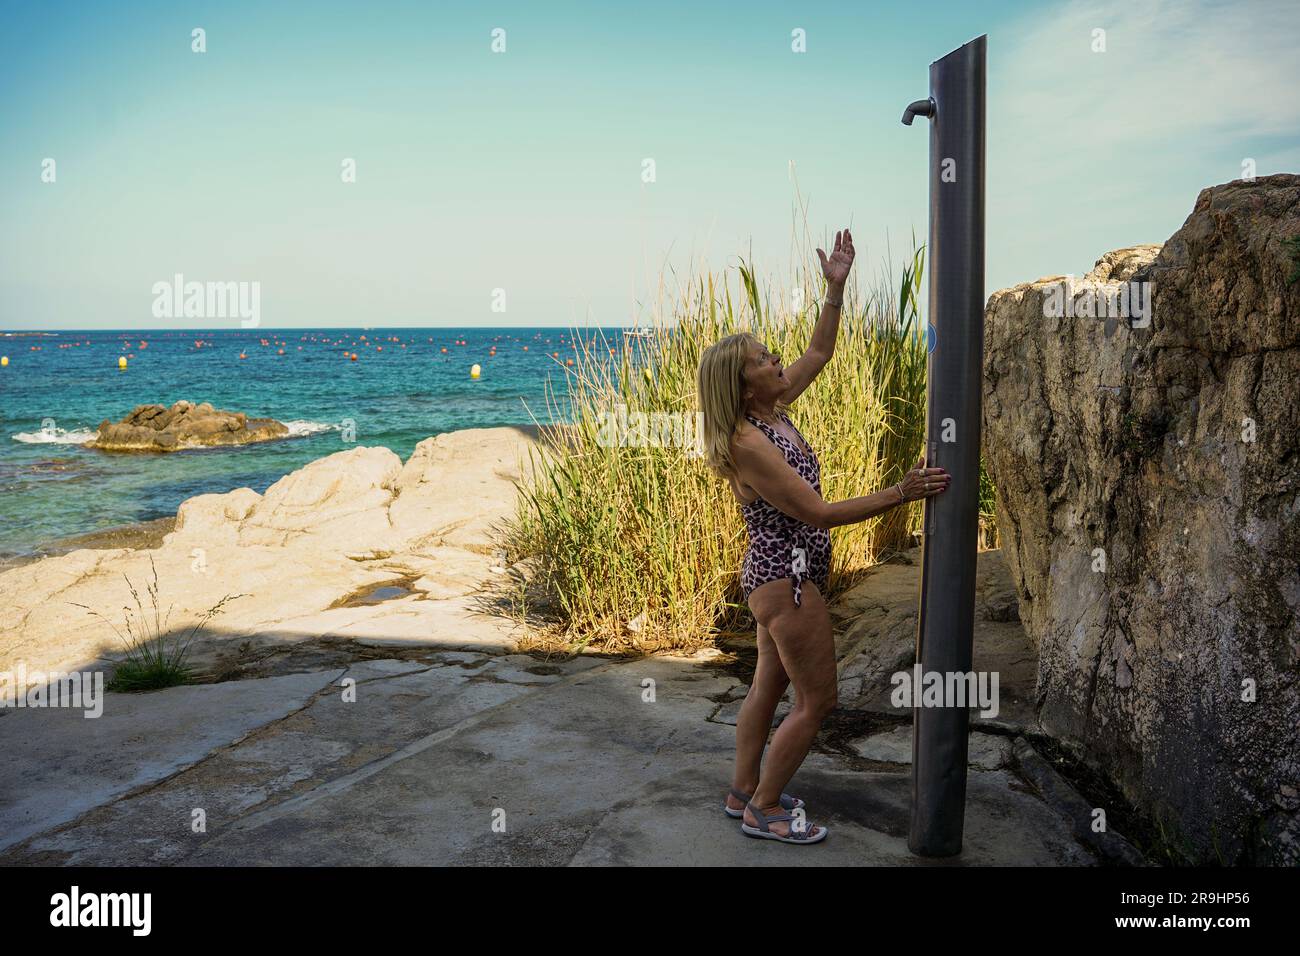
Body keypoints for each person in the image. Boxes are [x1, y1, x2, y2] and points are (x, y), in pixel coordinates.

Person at [696, 227, 950, 844]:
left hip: (776, 576)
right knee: (818, 703)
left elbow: (819, 352)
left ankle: (741, 793)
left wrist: (834, 289)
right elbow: (819, 514)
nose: (776, 359)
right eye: (762, 359)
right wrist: (902, 493)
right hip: (790, 581)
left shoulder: (769, 413)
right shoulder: (749, 442)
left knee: (766, 685)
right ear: (743, 383)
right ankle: (766, 807)